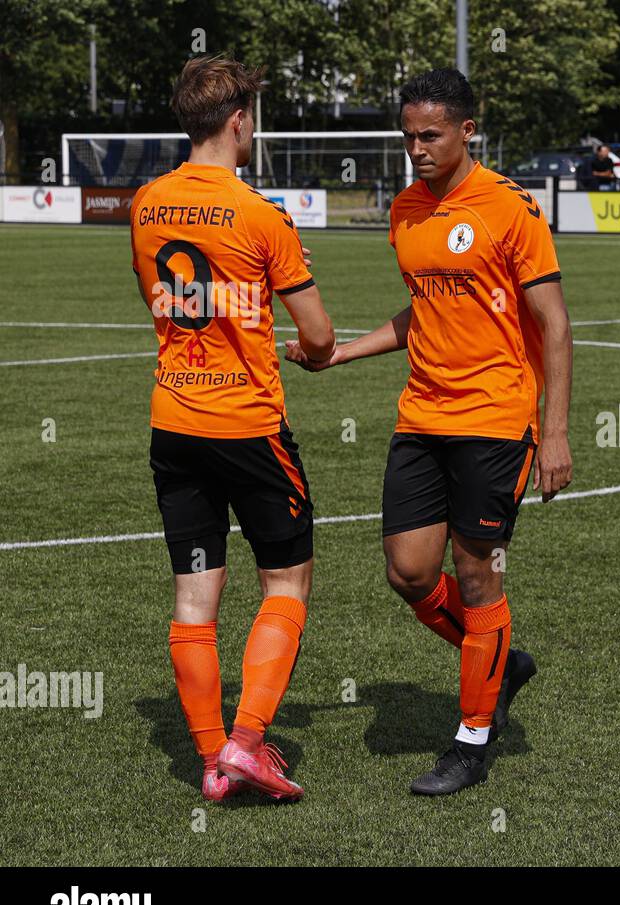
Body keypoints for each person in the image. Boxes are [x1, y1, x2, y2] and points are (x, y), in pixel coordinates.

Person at [286, 68, 573, 796]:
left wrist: (557, 432)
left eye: (430, 135)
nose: (415, 148)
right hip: (422, 415)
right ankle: (503, 661)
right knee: (409, 573)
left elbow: (554, 324)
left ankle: (471, 744)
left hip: (496, 418)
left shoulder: (511, 210)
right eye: (407, 135)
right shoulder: (407, 209)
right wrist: (344, 351)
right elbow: (426, 310)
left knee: (479, 576)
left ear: (467, 132)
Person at [132, 55, 337, 802]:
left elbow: (158, 294)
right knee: (286, 580)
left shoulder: (146, 203)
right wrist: (304, 345)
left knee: (194, 596)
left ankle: (211, 760)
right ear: (239, 120)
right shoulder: (260, 213)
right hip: (247, 424)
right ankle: (247, 742)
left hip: (173, 420)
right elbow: (317, 336)